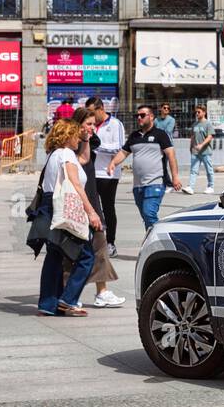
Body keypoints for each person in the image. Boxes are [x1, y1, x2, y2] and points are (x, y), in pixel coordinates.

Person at [37, 119, 101, 317]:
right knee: (87, 255)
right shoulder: (66, 153)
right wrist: (91, 211)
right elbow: (75, 183)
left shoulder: (53, 155)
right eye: (75, 134)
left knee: (54, 255)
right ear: (67, 136)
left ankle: (48, 303)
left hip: (49, 207)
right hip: (65, 208)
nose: (78, 138)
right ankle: (68, 299)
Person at [70, 108, 124, 309]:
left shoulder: (92, 141)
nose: (93, 128)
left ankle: (102, 292)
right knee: (73, 252)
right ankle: (69, 295)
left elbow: (92, 151)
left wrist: (87, 136)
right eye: (89, 124)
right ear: (78, 124)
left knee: (100, 244)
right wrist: (82, 138)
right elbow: (82, 160)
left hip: (92, 199)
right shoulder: (69, 146)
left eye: (94, 124)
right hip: (77, 202)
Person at [107, 104, 181, 232]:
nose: (139, 118)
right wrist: (113, 163)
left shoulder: (160, 135)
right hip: (138, 186)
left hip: (156, 182)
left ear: (151, 117)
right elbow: (123, 153)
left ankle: (160, 240)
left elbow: (171, 155)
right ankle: (151, 242)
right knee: (146, 217)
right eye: (137, 116)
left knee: (149, 214)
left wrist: (175, 177)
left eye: (142, 115)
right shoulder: (134, 136)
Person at [94, 102, 124, 258]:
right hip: (91, 172)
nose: (92, 116)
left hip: (108, 174)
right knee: (92, 208)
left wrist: (96, 146)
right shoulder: (91, 124)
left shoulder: (115, 124)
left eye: (93, 112)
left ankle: (111, 242)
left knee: (108, 208)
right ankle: (95, 242)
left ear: (101, 109)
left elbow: (119, 147)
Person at [188, 104, 214, 194]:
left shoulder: (208, 124)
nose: (197, 113)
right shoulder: (194, 124)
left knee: (209, 170)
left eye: (199, 112)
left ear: (204, 112)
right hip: (195, 152)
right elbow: (192, 136)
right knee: (193, 170)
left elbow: (210, 137)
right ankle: (190, 187)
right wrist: (190, 147)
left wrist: (201, 145)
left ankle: (210, 186)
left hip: (206, 151)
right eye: (196, 112)